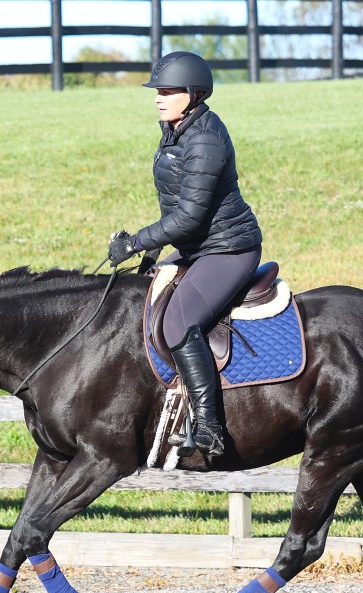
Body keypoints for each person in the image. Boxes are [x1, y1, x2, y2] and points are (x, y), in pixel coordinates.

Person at [108, 51, 263, 460]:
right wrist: (154, 247)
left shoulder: (206, 139)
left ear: (194, 94)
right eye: (157, 91)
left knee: (179, 322)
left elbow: (191, 216)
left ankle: (210, 429)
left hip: (229, 248)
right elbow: (175, 206)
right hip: (197, 246)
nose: (158, 98)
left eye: (168, 91)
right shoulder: (176, 130)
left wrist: (136, 242)